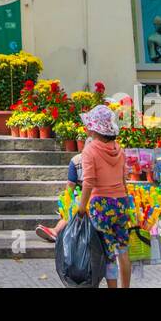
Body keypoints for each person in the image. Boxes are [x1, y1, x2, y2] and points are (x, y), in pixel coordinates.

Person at [75, 105, 132, 289]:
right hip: (121, 202)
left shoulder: (90, 150)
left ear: (94, 129)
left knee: (108, 254)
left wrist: (81, 208)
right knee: (123, 249)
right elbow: (124, 180)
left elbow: (89, 182)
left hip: (101, 205)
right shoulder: (119, 150)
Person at [36, 151, 83, 243]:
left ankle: (56, 231)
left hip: (95, 197)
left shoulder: (77, 160)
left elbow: (70, 186)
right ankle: (56, 231)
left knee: (74, 206)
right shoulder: (77, 160)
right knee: (73, 206)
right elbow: (70, 187)